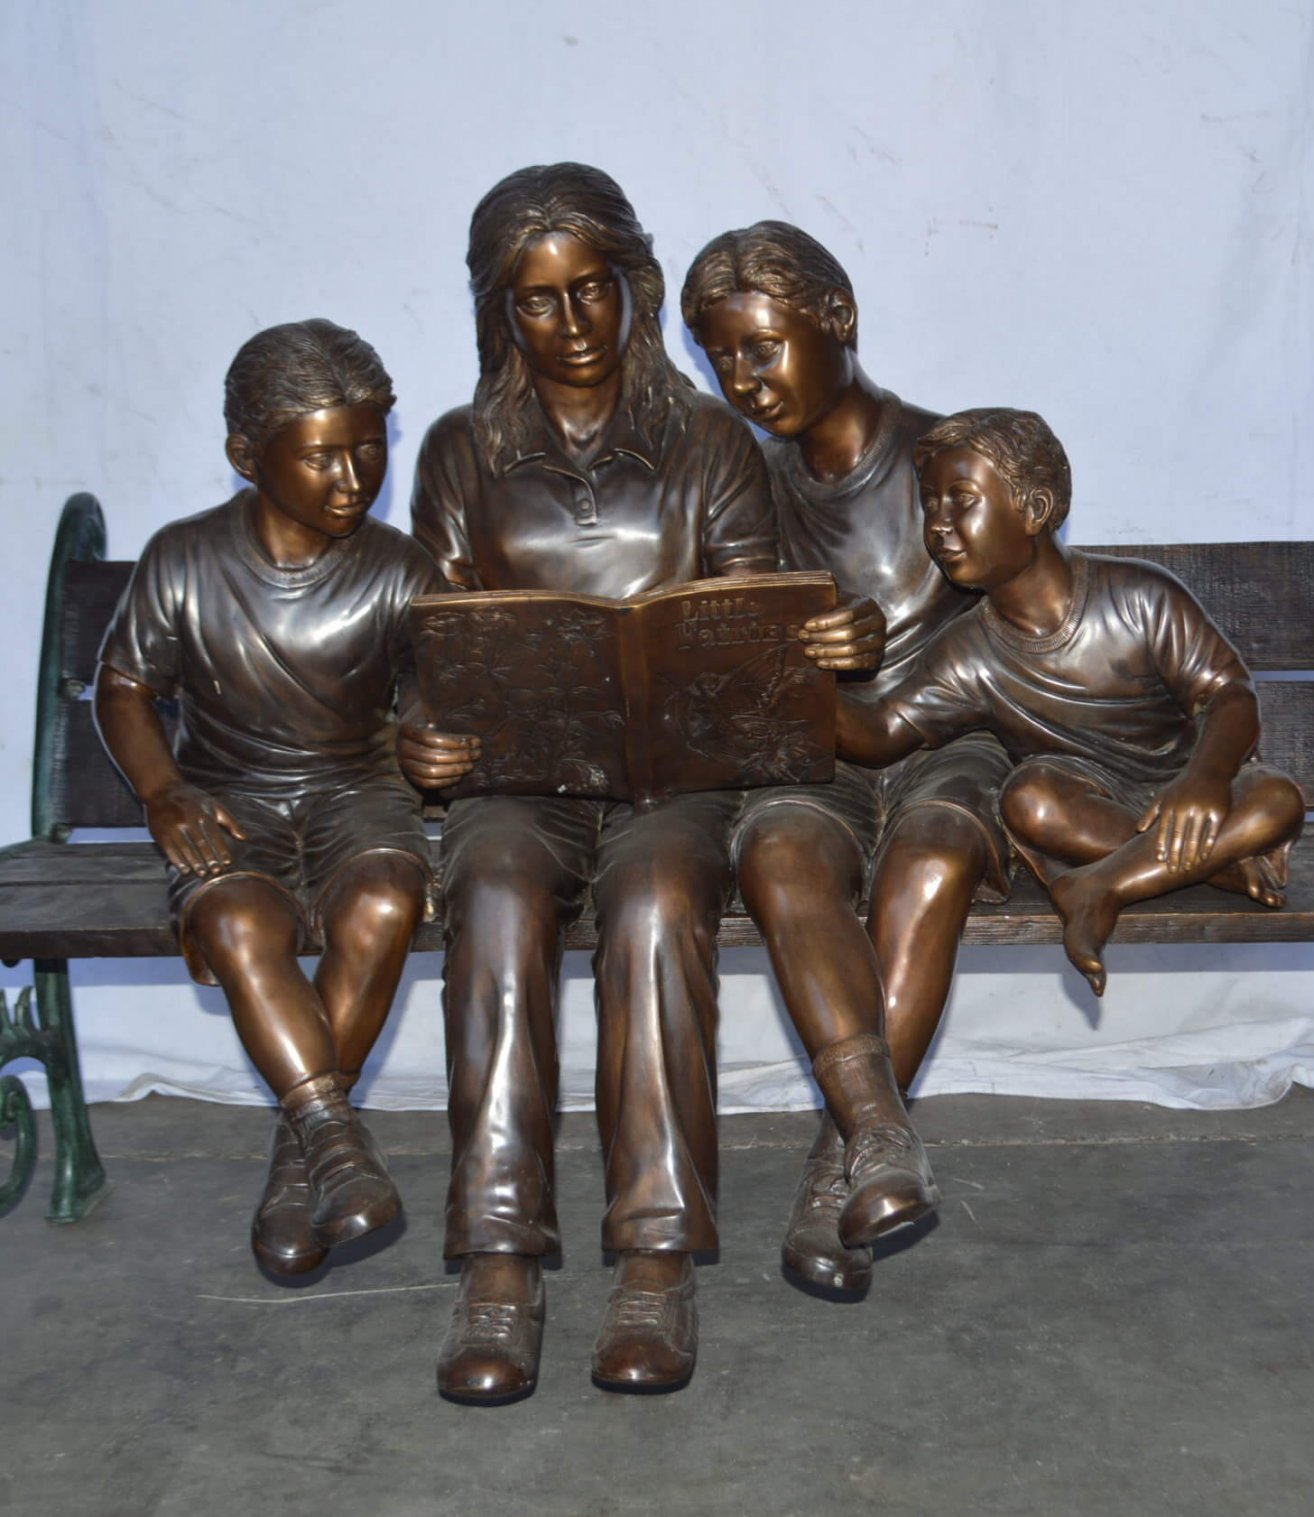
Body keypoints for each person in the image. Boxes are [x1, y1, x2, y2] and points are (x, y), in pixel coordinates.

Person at [403, 165, 932, 1402]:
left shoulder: (706, 441)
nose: (573, 321)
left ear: (632, 288)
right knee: (488, 893)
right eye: (538, 302)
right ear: (500, 315)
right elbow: (421, 644)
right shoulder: (459, 452)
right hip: (519, 779)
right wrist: (419, 734)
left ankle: (655, 1255)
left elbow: (749, 615)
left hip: (675, 784)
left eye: (594, 289)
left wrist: (771, 653)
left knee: (651, 911)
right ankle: (497, 1262)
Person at [682, 223, 1007, 1295]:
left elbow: (1029, 617)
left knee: (932, 859)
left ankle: (837, 1170)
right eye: (720, 356)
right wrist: (791, 653)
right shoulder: (742, 486)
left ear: (841, 322)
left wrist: (892, 646)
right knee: (776, 851)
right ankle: (878, 1132)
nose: (744, 379)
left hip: (949, 748)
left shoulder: (947, 460)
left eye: (763, 347)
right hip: (813, 761)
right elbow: (725, 656)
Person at [94, 319, 440, 1281]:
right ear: (249, 457)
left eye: (369, 448)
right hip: (231, 802)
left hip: (358, 798)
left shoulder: (399, 571)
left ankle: (303, 1160)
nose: (353, 477)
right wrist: (163, 790)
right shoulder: (185, 559)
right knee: (240, 917)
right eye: (322, 456)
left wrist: (431, 741)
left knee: (380, 901)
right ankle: (333, 1136)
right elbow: (124, 689)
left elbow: (430, 703)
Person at [834, 407, 1306, 995]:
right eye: (930, 503)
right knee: (1028, 799)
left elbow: (1229, 695)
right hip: (1089, 808)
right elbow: (880, 733)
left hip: (1187, 789)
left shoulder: (1139, 597)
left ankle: (1101, 884)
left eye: (962, 499)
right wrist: (792, 676)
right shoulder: (966, 651)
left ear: (1033, 510)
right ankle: (1226, 869)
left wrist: (1204, 781)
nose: (939, 524)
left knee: (1276, 799)